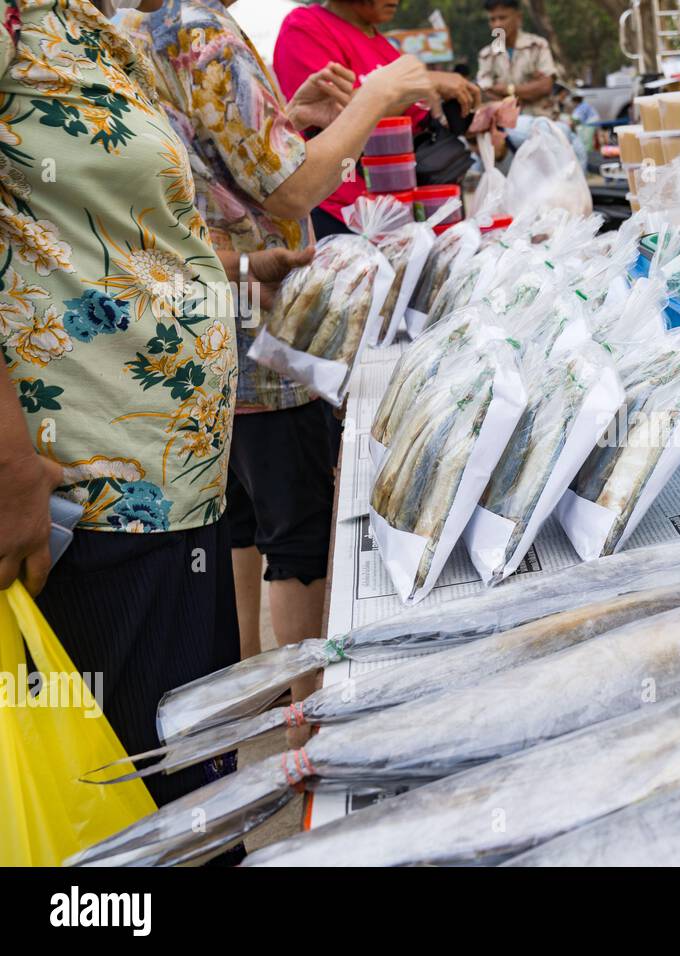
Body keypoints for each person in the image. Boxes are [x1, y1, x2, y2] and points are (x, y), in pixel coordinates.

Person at [0, 0, 265, 806]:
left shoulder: (82, 19)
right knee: (130, 818)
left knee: (190, 796)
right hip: (90, 501)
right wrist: (8, 463)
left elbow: (111, 225)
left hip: (175, 492)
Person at [122, 1, 429, 676]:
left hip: (207, 318)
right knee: (297, 532)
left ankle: (250, 689)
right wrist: (377, 93)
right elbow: (290, 190)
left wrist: (289, 116)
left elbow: (211, 160)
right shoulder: (198, 26)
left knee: (241, 519)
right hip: (263, 320)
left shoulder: (150, 25)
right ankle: (305, 719)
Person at [273, 0, 481, 238]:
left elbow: (411, 121)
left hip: (398, 206)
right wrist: (422, 81)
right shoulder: (304, 26)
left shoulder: (380, 42)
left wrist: (476, 118)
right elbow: (335, 111)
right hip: (345, 209)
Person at [477, 0, 557, 118]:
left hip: (541, 119)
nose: (497, 25)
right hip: (504, 123)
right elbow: (485, 92)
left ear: (518, 17)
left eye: (502, 18)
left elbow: (545, 86)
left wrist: (506, 90)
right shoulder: (486, 55)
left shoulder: (537, 46)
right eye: (492, 19)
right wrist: (531, 91)